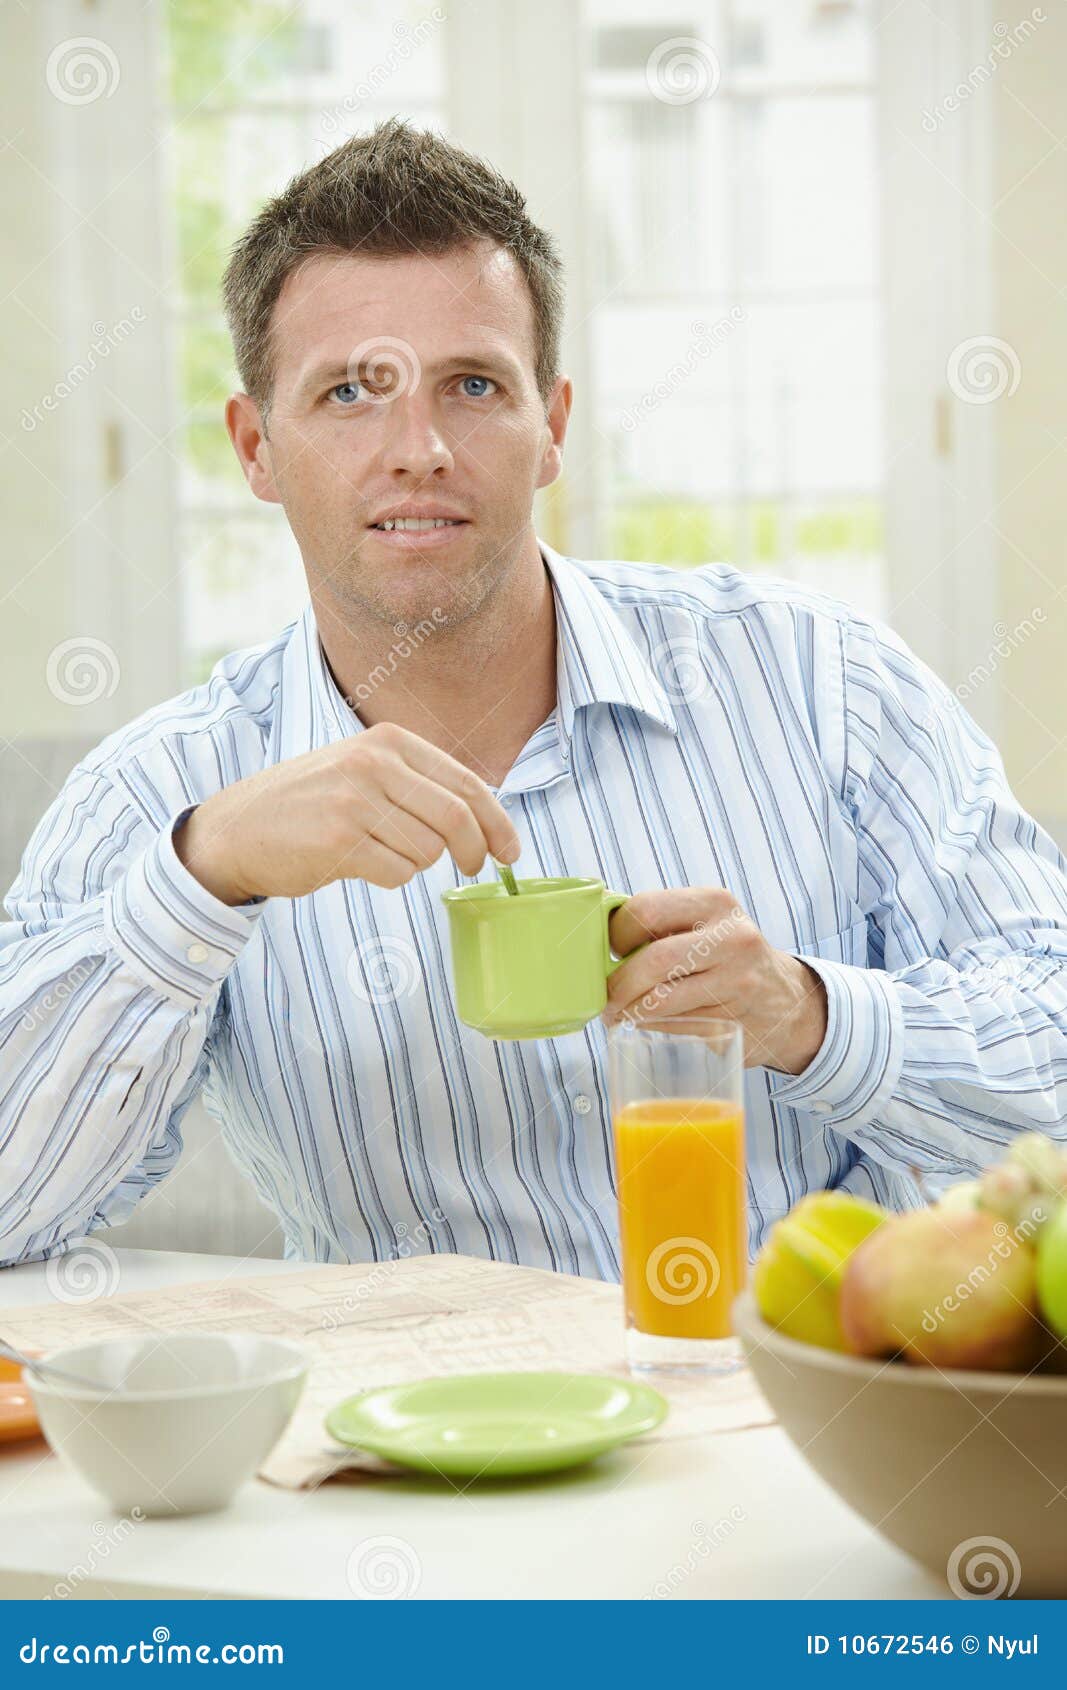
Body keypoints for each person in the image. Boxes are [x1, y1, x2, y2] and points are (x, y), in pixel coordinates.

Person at [3, 120, 1066, 1276]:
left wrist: (808, 1018)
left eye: (471, 384)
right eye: (351, 392)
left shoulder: (822, 681)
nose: (418, 448)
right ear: (256, 447)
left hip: (788, 1420)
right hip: (399, 1441)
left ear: (549, 426)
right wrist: (200, 879)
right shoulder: (166, 795)